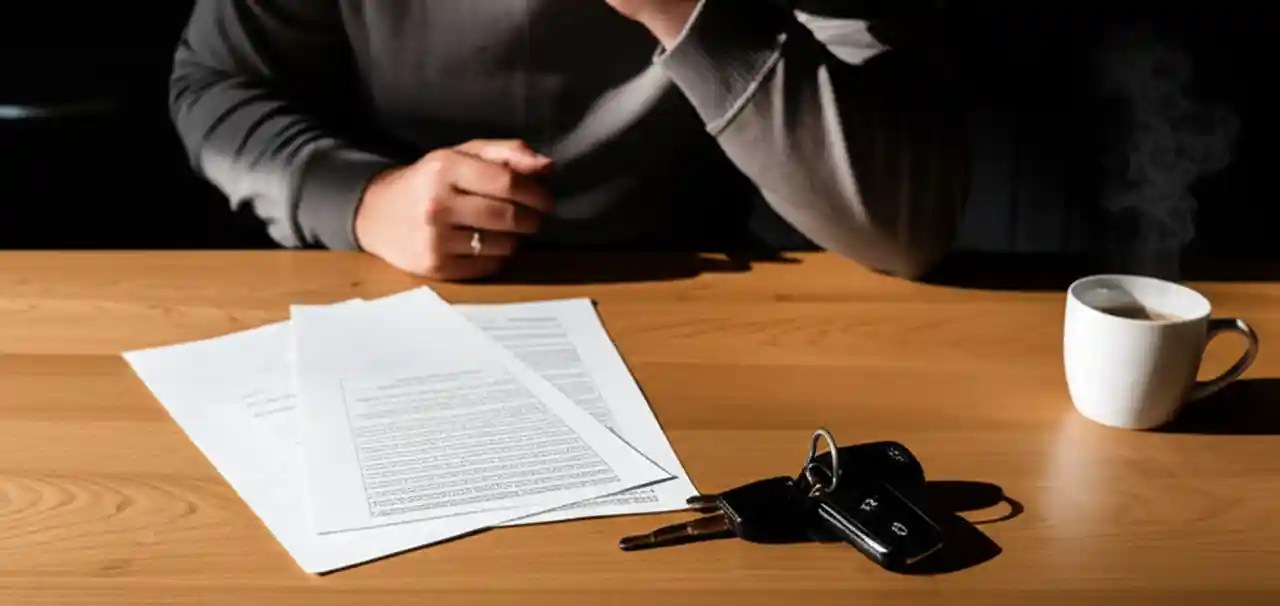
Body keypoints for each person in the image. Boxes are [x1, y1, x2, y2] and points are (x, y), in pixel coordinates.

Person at [170, 0, 967, 280]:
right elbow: (212, 84)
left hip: (702, 294)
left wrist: (685, 10)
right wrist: (363, 200)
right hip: (397, 298)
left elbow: (903, 228)